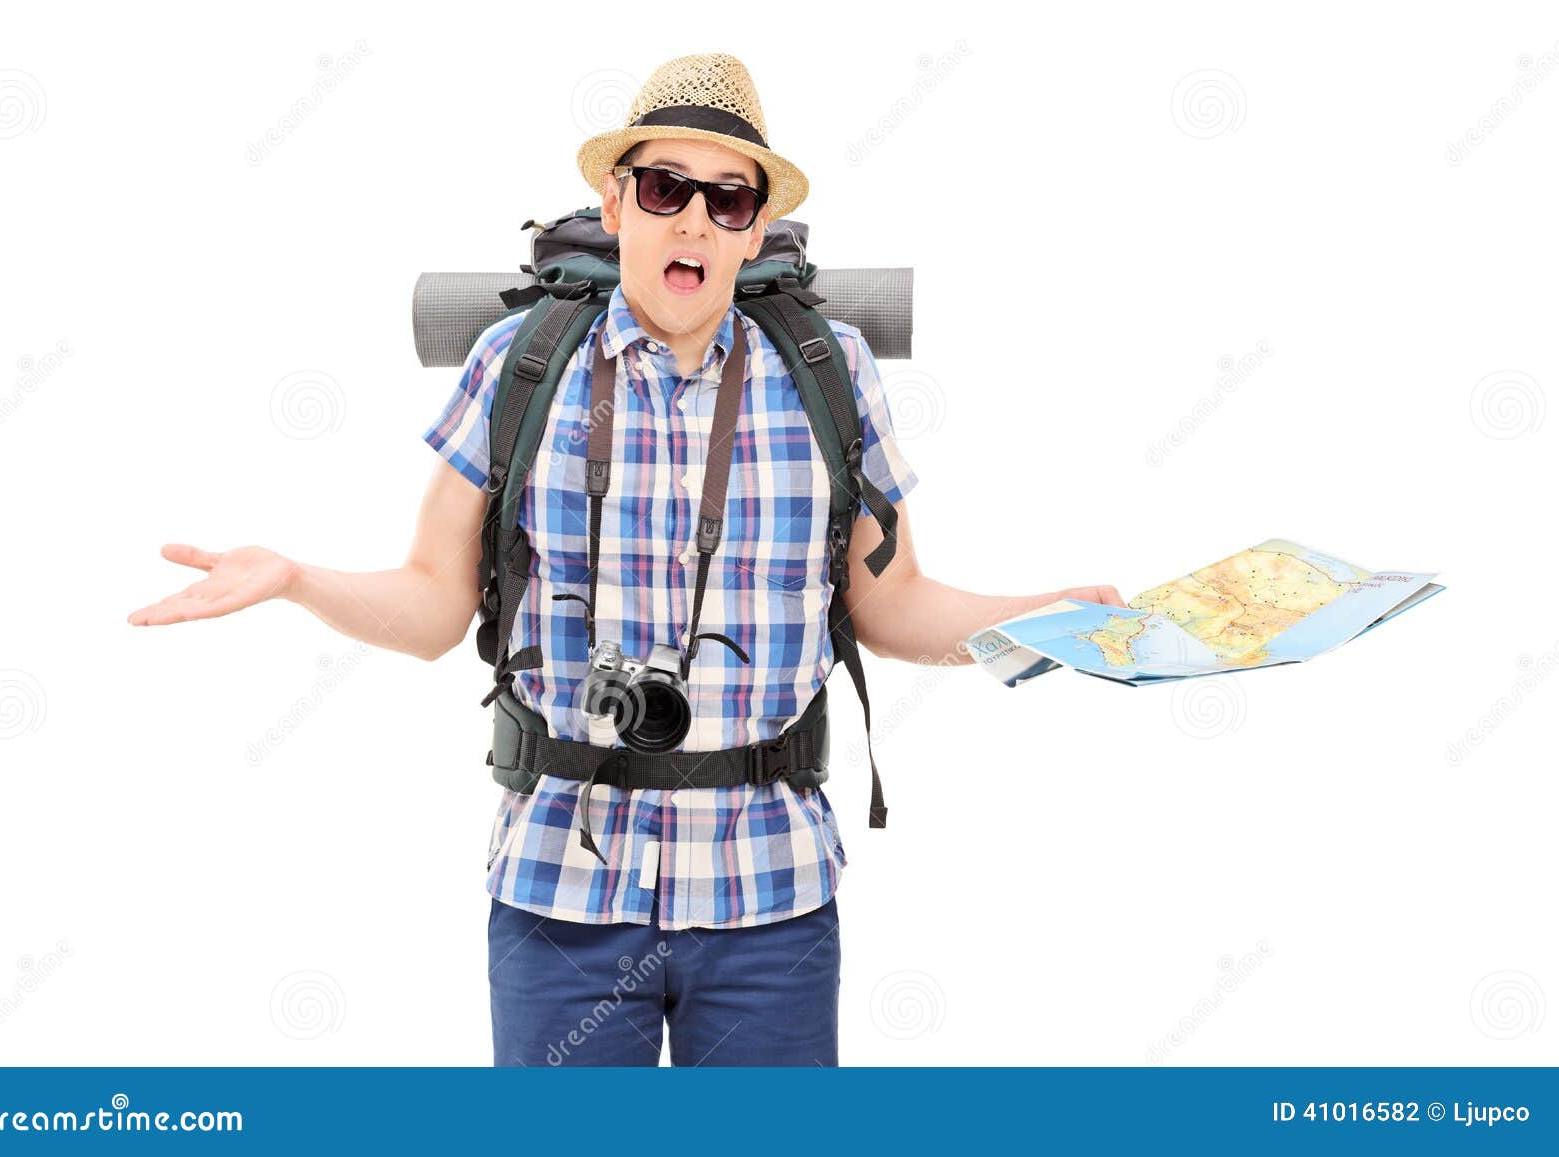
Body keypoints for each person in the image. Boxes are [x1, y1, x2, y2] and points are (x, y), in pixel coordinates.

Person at [127, 52, 1126, 1066]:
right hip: (560, 898)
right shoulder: (521, 364)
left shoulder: (831, 371)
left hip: (769, 898)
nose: (694, 219)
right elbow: (431, 603)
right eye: (664, 188)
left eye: (728, 198)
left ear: (754, 230)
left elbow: (893, 603)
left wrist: (1044, 622)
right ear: (615, 205)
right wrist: (297, 580)